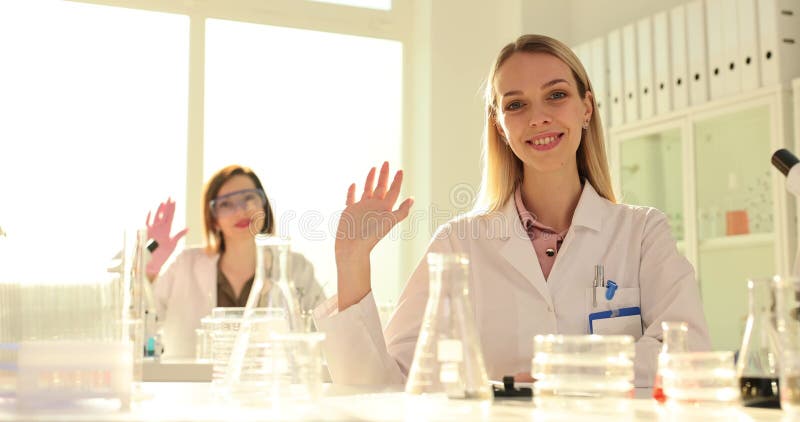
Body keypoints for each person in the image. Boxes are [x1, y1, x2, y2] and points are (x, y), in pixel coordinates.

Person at [313, 34, 711, 387]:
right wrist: (352, 262)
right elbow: (386, 384)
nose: (538, 117)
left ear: (586, 108)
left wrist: (563, 370)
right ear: (500, 126)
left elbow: (687, 352)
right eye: (516, 104)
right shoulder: (459, 243)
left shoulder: (641, 232)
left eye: (556, 95)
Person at [148, 165, 325, 358]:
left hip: (273, 377)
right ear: (213, 219)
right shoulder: (185, 265)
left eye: (249, 198)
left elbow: (325, 337)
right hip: (194, 377)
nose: (241, 211)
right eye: (226, 204)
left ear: (264, 207)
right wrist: (148, 270)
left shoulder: (297, 268)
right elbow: (143, 329)